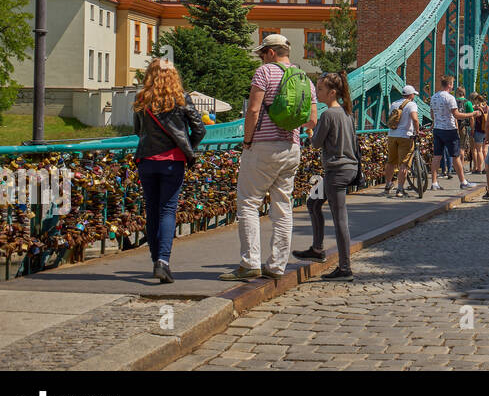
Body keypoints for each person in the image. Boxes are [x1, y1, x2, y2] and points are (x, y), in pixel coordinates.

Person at [222, 34, 315, 281]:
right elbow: (312, 120)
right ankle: (276, 266)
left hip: (263, 147)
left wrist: (248, 140)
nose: (261, 58)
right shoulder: (304, 77)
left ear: (271, 52)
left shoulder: (264, 72)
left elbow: (253, 110)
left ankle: (249, 263)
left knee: (249, 203)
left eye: (262, 53)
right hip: (291, 147)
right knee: (283, 208)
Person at [132, 59, 206, 284]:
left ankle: (155, 259)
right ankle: (162, 262)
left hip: (146, 160)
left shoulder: (141, 98)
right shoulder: (181, 98)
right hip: (173, 161)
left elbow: (137, 130)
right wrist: (188, 147)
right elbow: (199, 129)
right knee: (167, 210)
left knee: (152, 210)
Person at [293, 72, 358, 281]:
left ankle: (345, 267)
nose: (317, 93)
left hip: (337, 171)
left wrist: (310, 131)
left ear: (332, 92)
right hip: (347, 168)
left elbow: (316, 143)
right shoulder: (347, 113)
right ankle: (317, 248)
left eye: (320, 90)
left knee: (340, 219)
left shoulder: (329, 114)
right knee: (313, 203)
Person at [429, 75, 476, 191]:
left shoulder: (433, 97)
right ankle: (463, 182)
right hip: (450, 130)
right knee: (456, 157)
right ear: (449, 85)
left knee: (437, 157)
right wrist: (472, 114)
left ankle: (434, 183)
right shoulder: (450, 98)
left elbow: (432, 115)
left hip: (437, 129)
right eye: (452, 84)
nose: (453, 86)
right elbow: (457, 115)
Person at [383, 83, 420, 197]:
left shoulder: (394, 104)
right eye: (413, 94)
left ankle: (388, 185)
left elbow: (389, 118)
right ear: (410, 95)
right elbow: (415, 119)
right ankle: (400, 189)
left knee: (391, 162)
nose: (414, 96)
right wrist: (417, 132)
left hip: (392, 135)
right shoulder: (411, 104)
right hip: (405, 136)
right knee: (404, 163)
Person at [456, 86, 476, 172]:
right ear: (464, 93)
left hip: (453, 126)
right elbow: (471, 117)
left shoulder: (453, 101)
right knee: (462, 147)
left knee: (453, 147)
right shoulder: (468, 103)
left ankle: (453, 167)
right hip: (463, 127)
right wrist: (472, 129)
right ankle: (461, 167)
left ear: (457, 93)